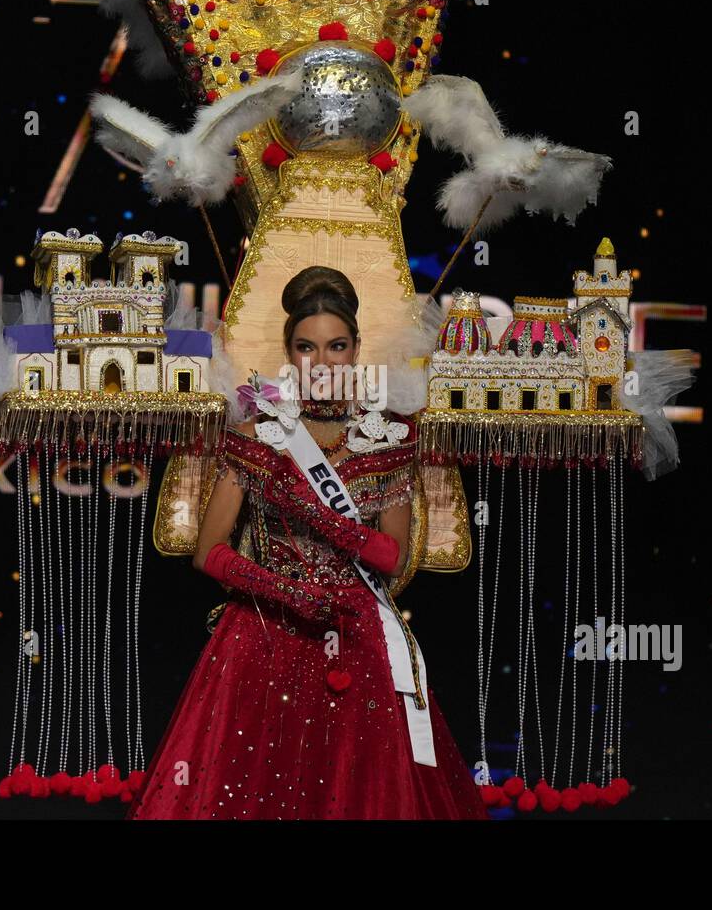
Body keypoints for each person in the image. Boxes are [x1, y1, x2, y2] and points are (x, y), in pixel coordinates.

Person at [127, 266, 488, 819]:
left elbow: (391, 557)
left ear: (357, 349)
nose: (322, 363)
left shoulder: (387, 438)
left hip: (357, 633)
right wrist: (285, 592)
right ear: (288, 353)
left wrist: (308, 508)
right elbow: (208, 552)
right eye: (306, 347)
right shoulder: (255, 437)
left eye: (337, 346)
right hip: (262, 634)